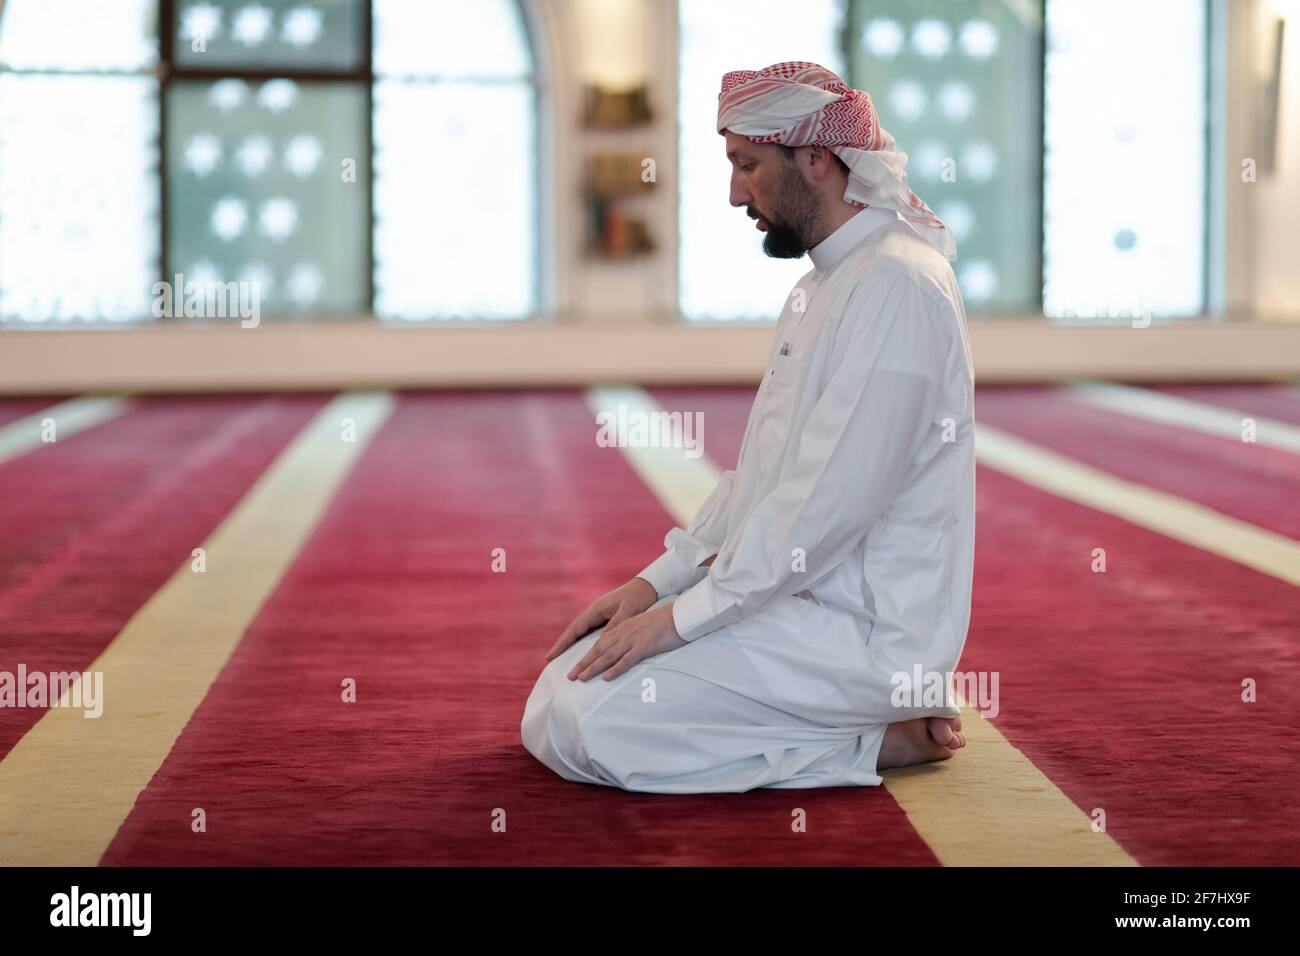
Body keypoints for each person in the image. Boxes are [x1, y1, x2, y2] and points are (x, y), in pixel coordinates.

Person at [521, 62, 976, 793]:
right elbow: (761, 481)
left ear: (817, 159)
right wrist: (653, 586)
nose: (736, 193)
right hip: (789, 603)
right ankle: (851, 736)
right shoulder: (820, 287)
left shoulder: (899, 285)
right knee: (557, 691)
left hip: (862, 633)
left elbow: (825, 506)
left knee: (593, 722)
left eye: (748, 166)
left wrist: (681, 621)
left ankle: (871, 741)